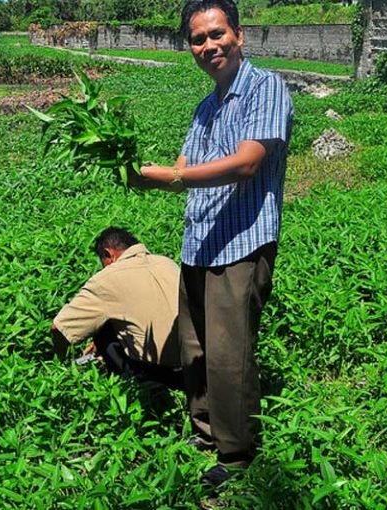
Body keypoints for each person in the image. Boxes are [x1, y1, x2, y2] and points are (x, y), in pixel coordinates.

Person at [136, 0, 294, 489]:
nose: (209, 46)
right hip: (200, 243)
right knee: (197, 349)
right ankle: (205, 434)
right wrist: (142, 173)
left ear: (239, 35)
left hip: (241, 243)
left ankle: (238, 455)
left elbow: (247, 162)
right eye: (198, 39)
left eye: (216, 34)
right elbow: (185, 161)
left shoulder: (266, 88)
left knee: (230, 356)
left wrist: (173, 178)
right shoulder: (204, 108)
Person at [51, 227, 183, 390]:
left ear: (108, 254)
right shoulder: (166, 263)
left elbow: (58, 328)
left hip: (157, 369)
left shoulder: (106, 278)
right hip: (196, 361)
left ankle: (138, 387)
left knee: (103, 325)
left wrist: (61, 362)